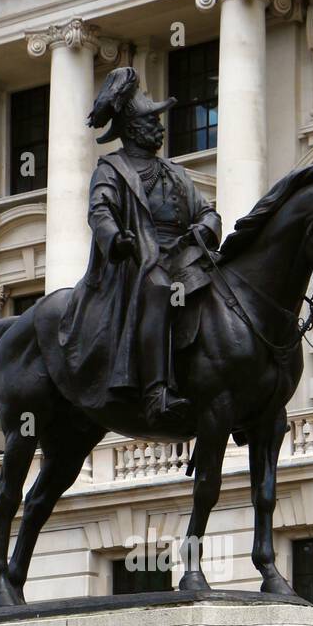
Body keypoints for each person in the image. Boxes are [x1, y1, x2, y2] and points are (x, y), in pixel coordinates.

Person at [58, 66, 222, 430]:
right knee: (160, 287)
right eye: (152, 122)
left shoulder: (176, 173)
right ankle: (155, 391)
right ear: (132, 129)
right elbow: (100, 210)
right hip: (138, 257)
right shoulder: (111, 169)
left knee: (228, 285)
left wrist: (206, 228)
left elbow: (207, 211)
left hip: (186, 252)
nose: (161, 128)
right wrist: (115, 239)